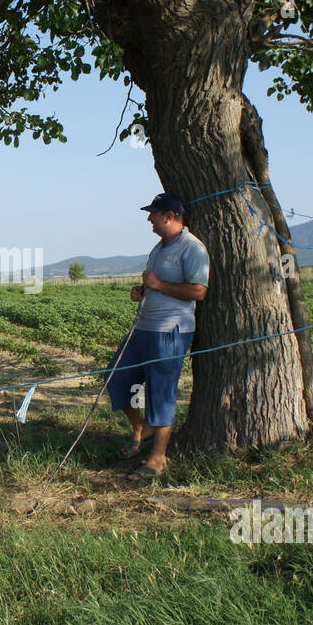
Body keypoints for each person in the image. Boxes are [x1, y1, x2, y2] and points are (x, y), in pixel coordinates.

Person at [106, 193, 210, 481]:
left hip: (169, 331)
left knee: (161, 393)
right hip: (143, 328)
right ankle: (142, 428)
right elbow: (155, 284)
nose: (149, 218)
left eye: (153, 213)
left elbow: (199, 291)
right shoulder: (159, 247)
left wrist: (159, 284)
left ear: (169, 216)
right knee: (116, 378)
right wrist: (142, 291)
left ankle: (157, 458)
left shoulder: (193, 248)